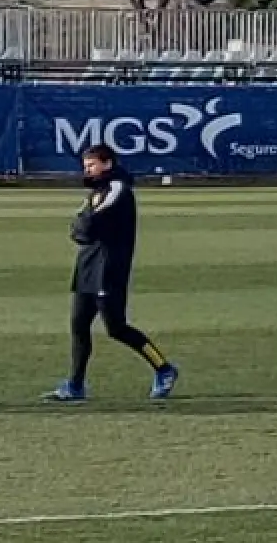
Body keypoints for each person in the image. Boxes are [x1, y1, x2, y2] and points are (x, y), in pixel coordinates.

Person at [44, 145, 179, 403]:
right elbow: (77, 227)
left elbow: (89, 225)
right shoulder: (97, 190)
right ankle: (75, 385)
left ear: (107, 163)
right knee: (79, 326)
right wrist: (83, 226)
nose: (87, 170)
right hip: (87, 266)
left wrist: (84, 226)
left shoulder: (118, 189)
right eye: (85, 166)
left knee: (116, 327)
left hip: (109, 268)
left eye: (92, 165)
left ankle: (164, 368)